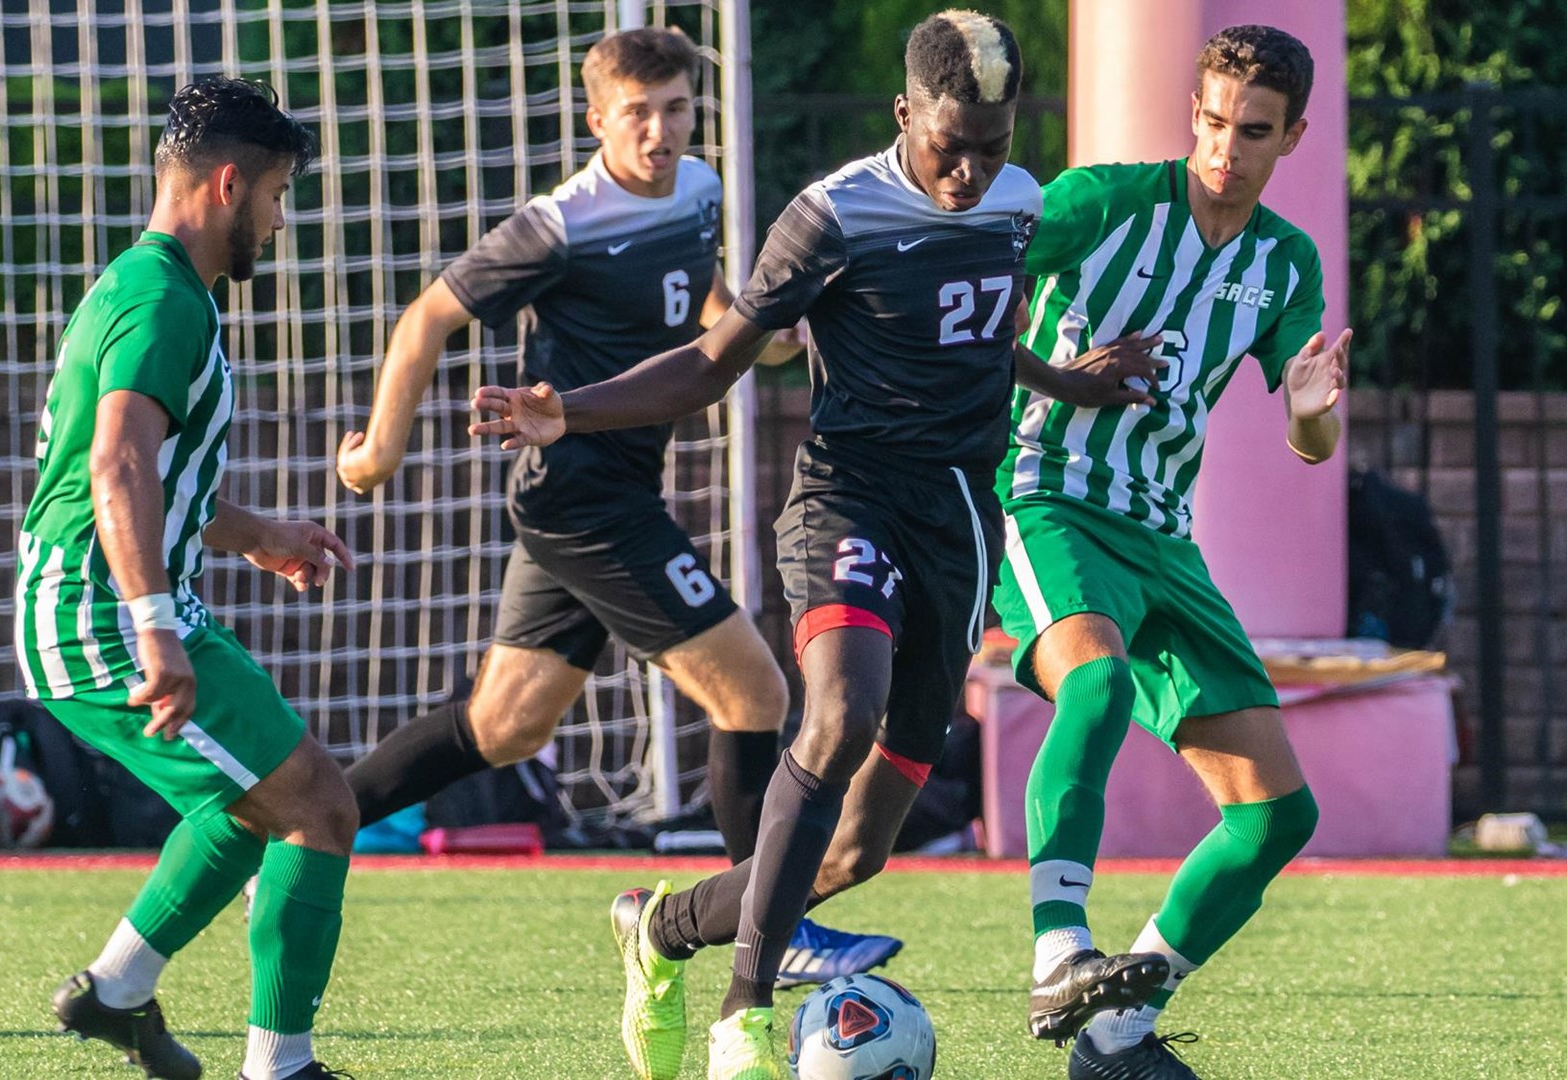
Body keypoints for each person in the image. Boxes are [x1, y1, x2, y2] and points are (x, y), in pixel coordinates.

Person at [471, 12, 1160, 1080]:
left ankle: (659, 928)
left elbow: (978, 335)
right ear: (903, 117)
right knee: (837, 714)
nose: (972, 169)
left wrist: (1072, 381)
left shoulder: (1018, 205)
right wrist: (571, 409)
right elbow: (712, 361)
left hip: (960, 521)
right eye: (949, 145)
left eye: (993, 144)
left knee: (858, 849)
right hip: (848, 500)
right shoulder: (831, 215)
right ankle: (744, 1014)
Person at [329, 26, 898, 987]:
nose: (661, 130)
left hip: (603, 499)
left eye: (676, 108)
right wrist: (379, 451)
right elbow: (429, 314)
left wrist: (763, 339)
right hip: (581, 500)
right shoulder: (561, 223)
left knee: (505, 726)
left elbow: (705, 298)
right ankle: (774, 926)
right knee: (754, 692)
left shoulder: (702, 189)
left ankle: (311, 831)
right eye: (638, 112)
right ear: (597, 119)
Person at [994, 25, 1347, 1080]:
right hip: (1044, 494)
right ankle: (1059, 950)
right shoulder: (1095, 203)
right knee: (1093, 685)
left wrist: (1314, 411)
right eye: (1210, 121)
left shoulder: (1285, 262)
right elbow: (958, 310)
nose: (1224, 148)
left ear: (1293, 136)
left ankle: (1116, 1032)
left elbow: (1308, 436)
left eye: (1252, 131)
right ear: (1190, 112)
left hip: (1161, 534)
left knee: (1278, 814)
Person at [15, 77, 357, 1080]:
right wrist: (155, 628)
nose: (279, 221)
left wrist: (257, 535)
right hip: (104, 613)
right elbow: (115, 464)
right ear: (226, 185)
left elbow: (152, 476)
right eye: (278, 195)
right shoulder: (165, 301)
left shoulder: (146, 286)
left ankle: (114, 994)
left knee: (256, 804)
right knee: (316, 807)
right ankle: (281, 1069)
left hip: (110, 603)